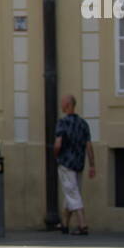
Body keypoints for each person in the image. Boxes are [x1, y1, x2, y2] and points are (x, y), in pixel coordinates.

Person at [54, 94, 95, 234]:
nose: (61, 105)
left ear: (67, 105)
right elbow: (89, 145)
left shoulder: (63, 123)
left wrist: (55, 154)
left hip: (66, 163)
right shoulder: (83, 123)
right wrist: (92, 165)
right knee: (71, 192)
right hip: (79, 163)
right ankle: (64, 223)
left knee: (72, 193)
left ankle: (83, 224)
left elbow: (58, 143)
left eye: (62, 103)